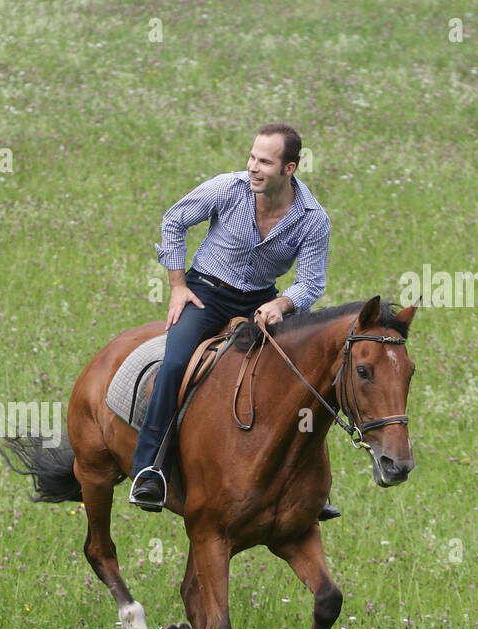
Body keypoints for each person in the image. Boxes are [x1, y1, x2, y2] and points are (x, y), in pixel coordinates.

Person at [128, 122, 338, 519]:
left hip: (261, 299)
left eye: (265, 161)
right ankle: (148, 470)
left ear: (289, 169)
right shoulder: (228, 188)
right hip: (206, 292)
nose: (253, 167)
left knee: (301, 376)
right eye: (252, 157)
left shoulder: (313, 219)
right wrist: (177, 285)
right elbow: (174, 221)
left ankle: (308, 484)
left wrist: (283, 303)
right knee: (174, 365)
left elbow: (311, 281)